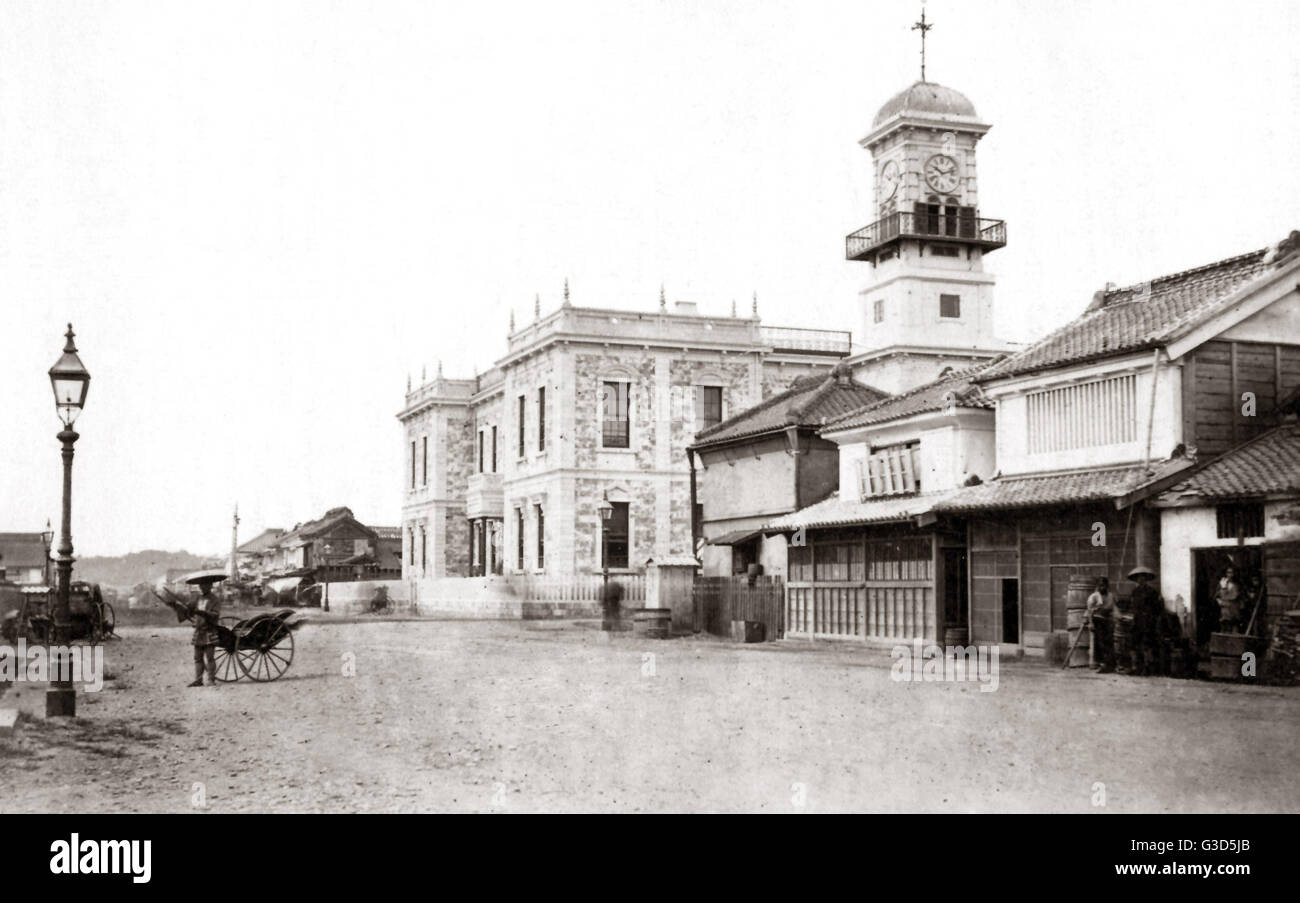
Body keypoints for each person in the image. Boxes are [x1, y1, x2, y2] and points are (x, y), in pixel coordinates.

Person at [1128, 568, 1164, 676]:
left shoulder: (1152, 592)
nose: (1141, 580)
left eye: (1143, 578)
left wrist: (1153, 618)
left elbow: (1158, 608)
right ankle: (1136, 667)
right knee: (1134, 644)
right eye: (1138, 578)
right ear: (1136, 580)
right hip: (1137, 621)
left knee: (1147, 644)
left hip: (1149, 621)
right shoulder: (1134, 592)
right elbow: (1132, 606)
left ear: (1146, 579)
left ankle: (1147, 667)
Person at [187, 578, 223, 687]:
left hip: (209, 631)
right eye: (200, 585)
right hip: (199, 631)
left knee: (210, 657)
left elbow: (215, 614)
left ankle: (211, 679)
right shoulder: (197, 598)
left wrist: (203, 613)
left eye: (204, 585)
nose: (202, 587)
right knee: (197, 657)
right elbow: (190, 610)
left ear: (210, 585)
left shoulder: (215, 599)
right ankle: (198, 680)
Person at [1086, 576, 1116, 673]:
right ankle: (1102, 664)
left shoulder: (1111, 596)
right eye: (1100, 586)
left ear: (1107, 586)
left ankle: (1110, 664)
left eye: (1104, 585)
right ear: (1097, 586)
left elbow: (1113, 608)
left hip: (1108, 621)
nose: (1102, 587)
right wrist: (1091, 623)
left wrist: (1117, 617)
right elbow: (1089, 611)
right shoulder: (1094, 596)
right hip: (1097, 621)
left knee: (1109, 642)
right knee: (1100, 643)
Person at [1215, 566, 1242, 634]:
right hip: (1224, 612)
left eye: (1232, 573)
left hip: (1233, 611)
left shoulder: (1236, 585)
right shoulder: (1222, 584)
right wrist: (1219, 600)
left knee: (1234, 630)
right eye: (1228, 573)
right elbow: (1217, 596)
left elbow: (1236, 597)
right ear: (1226, 574)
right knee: (1224, 629)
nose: (1230, 575)